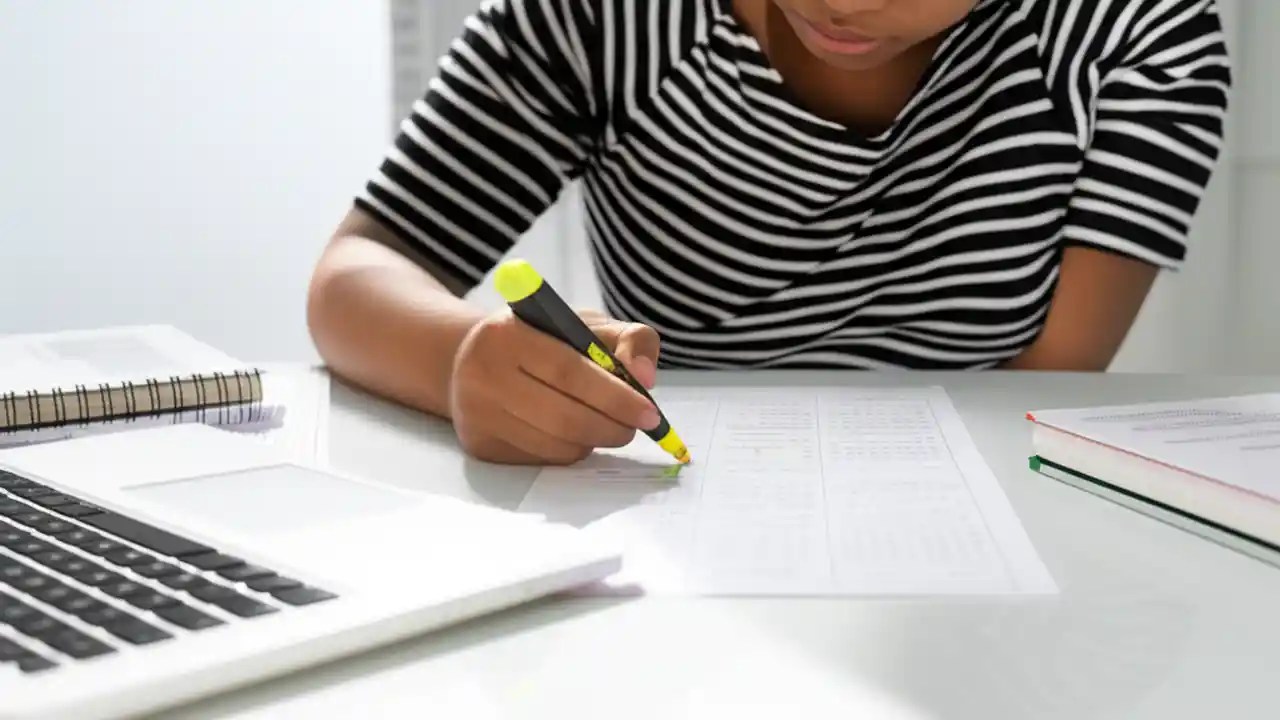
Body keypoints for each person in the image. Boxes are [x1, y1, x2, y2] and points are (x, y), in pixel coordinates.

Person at [307, 0, 1232, 464]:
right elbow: (361, 267)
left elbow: (1047, 387)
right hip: (666, 523)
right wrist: (461, 358)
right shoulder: (604, 19)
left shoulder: (1140, 39)